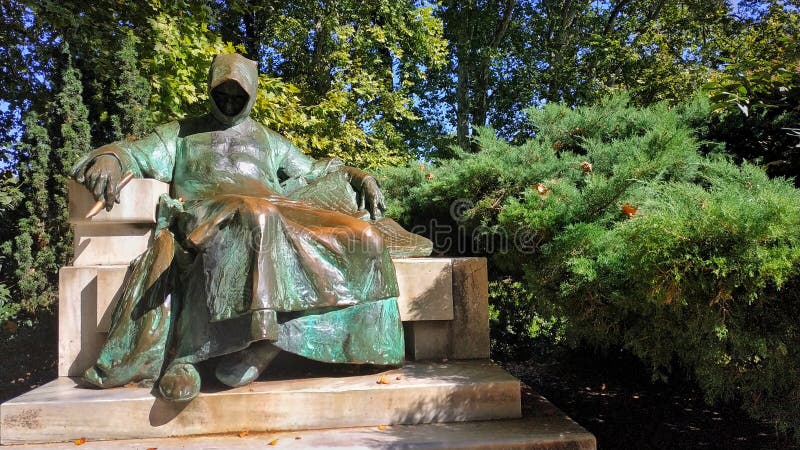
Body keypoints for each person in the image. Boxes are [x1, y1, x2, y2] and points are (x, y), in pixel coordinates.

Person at [72, 53, 429, 402]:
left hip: (273, 208)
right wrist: (110, 158)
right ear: (209, 91)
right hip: (207, 211)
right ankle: (219, 351)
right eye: (221, 94)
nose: (228, 102)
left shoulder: (268, 140)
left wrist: (358, 175)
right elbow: (135, 152)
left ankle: (333, 348)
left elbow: (314, 170)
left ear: (251, 96)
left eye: (237, 96)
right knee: (256, 215)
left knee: (365, 236)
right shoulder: (180, 134)